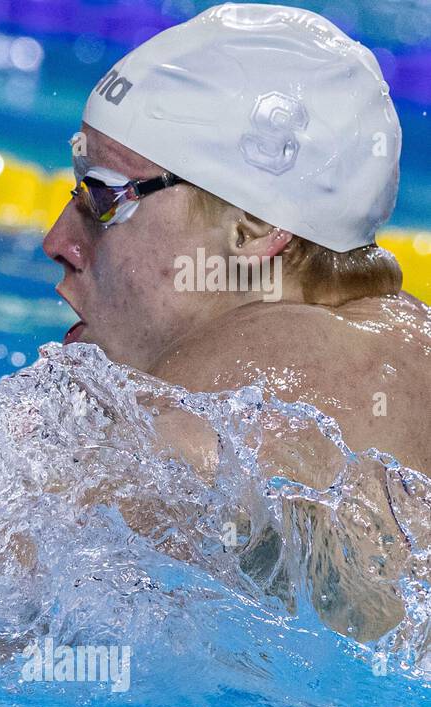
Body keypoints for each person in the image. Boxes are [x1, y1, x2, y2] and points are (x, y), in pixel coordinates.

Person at [42, 3, 430, 483]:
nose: (58, 242)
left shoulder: (237, 378)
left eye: (104, 197)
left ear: (254, 227)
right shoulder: (410, 338)